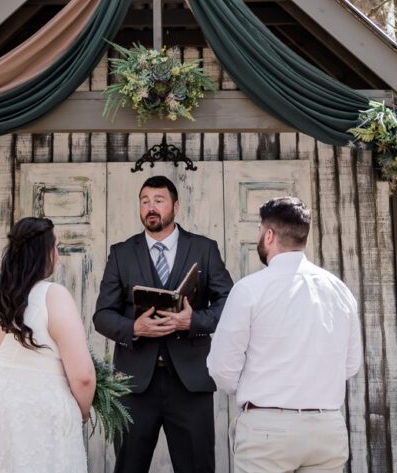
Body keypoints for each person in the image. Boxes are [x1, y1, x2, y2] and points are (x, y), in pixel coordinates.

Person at [207, 196, 362, 473]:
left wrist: (254, 391)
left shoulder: (249, 290)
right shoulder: (340, 291)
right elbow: (350, 366)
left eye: (258, 231)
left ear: (269, 235)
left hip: (267, 431)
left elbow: (221, 366)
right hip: (327, 429)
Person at [94, 175, 234, 473]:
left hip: (190, 383)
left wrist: (193, 321)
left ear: (176, 206)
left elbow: (230, 305)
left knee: (198, 467)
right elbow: (102, 315)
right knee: (129, 466)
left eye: (158, 200)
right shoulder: (121, 253)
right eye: (145, 201)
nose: (151, 207)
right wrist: (134, 329)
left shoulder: (204, 249)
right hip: (134, 384)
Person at [0, 216, 95, 473]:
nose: (57, 254)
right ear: (45, 253)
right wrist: (82, 413)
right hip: (38, 413)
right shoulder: (53, 296)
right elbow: (84, 377)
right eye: (56, 247)